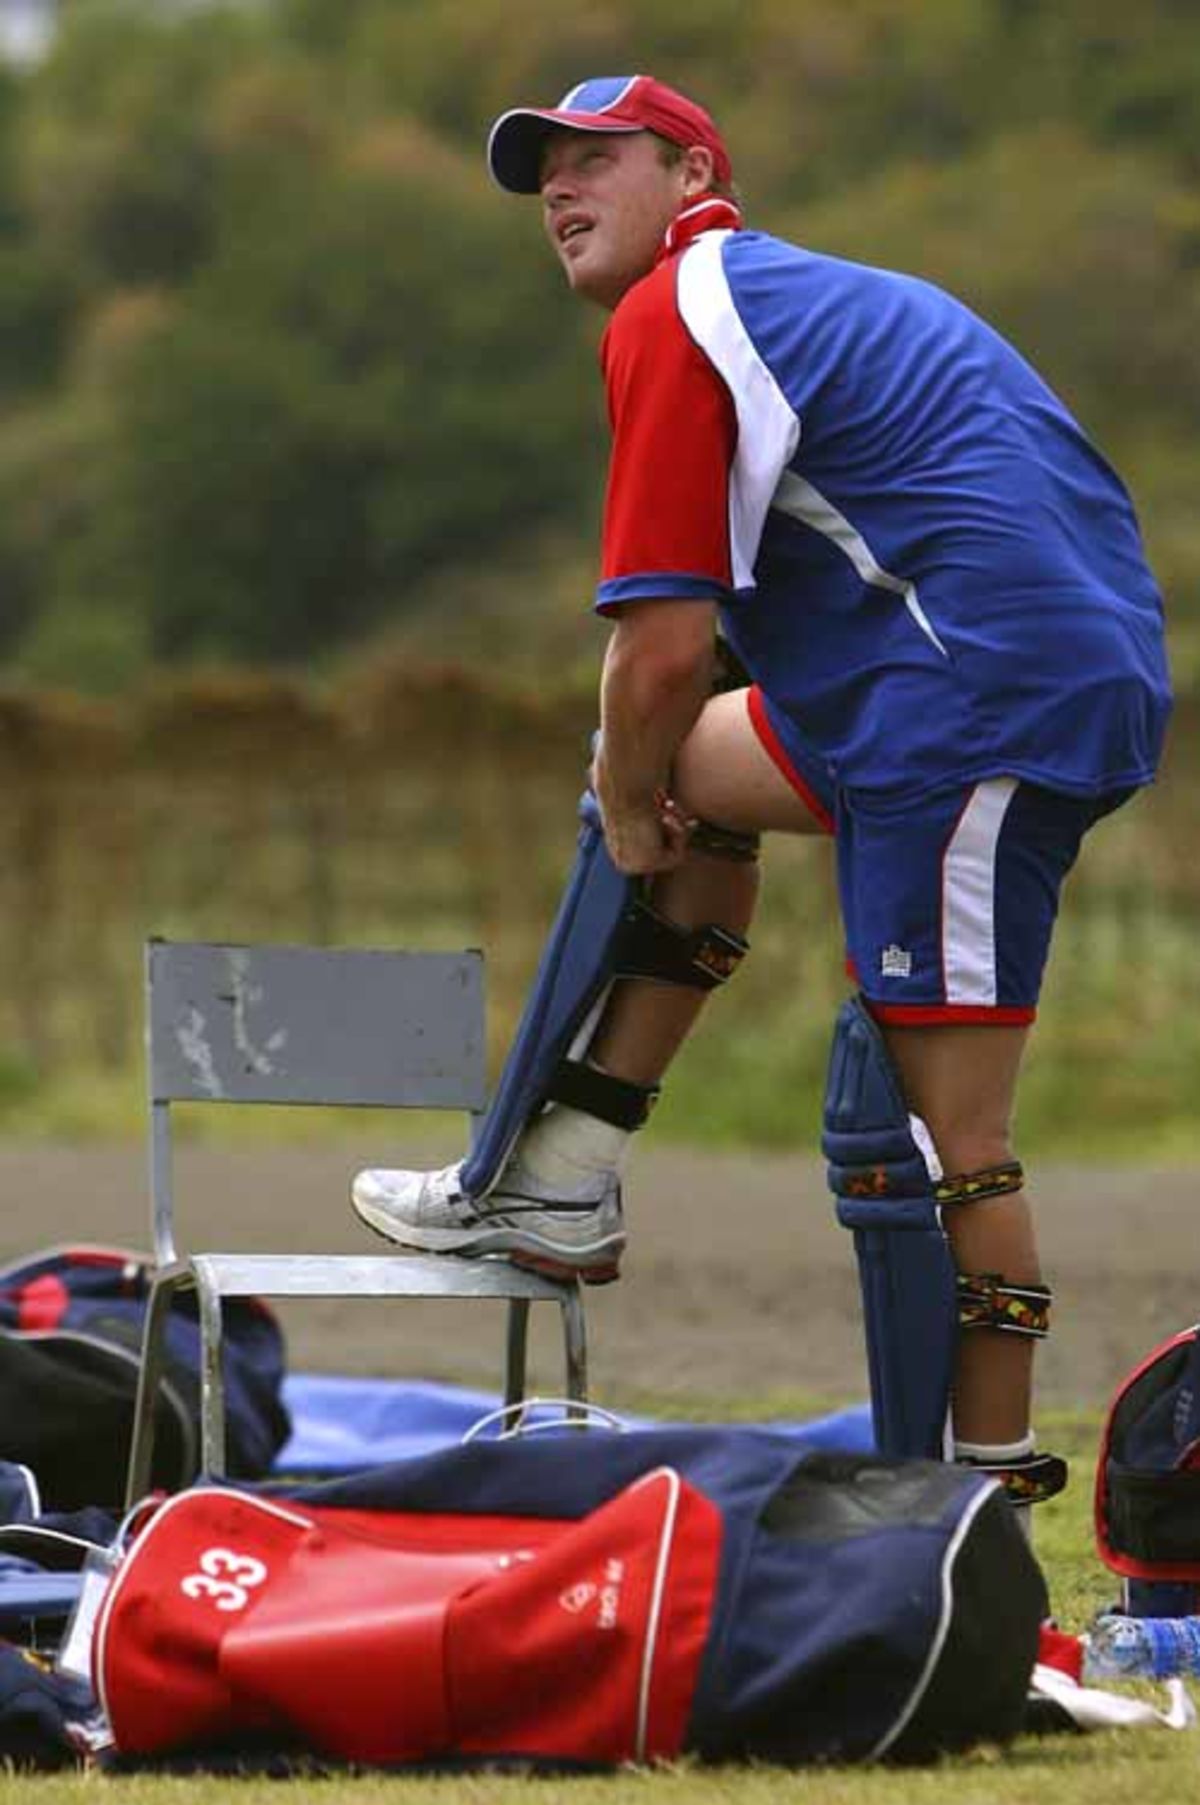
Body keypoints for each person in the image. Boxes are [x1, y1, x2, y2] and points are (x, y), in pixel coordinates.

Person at [353, 76, 1171, 1489]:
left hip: (966, 704)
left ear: (691, 174)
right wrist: (638, 779)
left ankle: (971, 1506)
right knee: (684, 777)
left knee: (932, 1132)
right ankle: (553, 1174)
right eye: (545, 171)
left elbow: (660, 649)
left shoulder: (676, 313)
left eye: (597, 160)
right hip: (962, 675)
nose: (560, 188)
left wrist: (626, 794)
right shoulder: (789, 294)